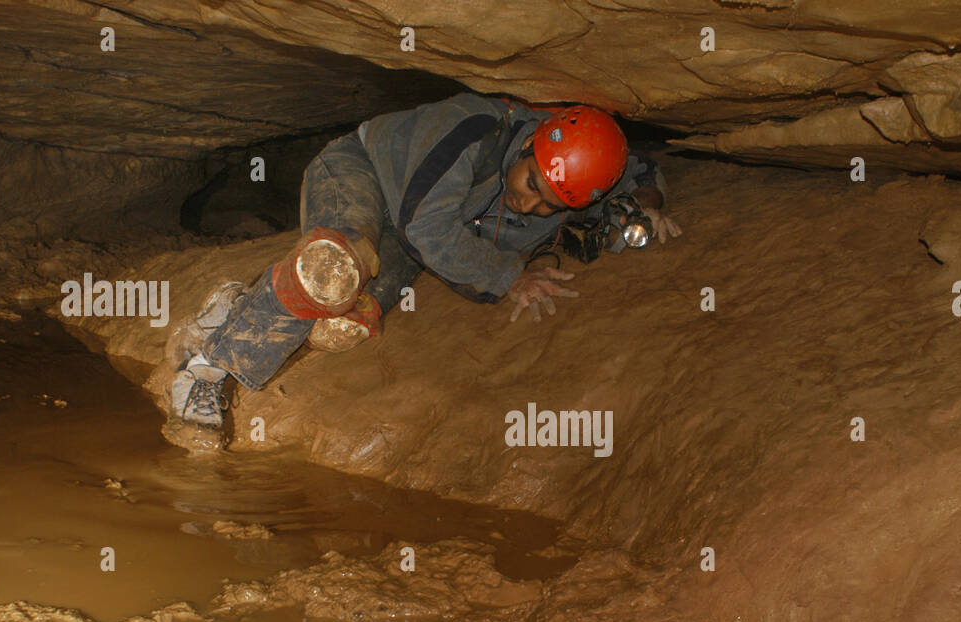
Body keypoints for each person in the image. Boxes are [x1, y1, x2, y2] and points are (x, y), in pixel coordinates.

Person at [166, 91, 682, 448]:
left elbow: (639, 173)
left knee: (346, 323)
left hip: (408, 243)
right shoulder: (475, 128)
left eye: (549, 206)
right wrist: (509, 276)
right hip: (358, 173)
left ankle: (239, 305)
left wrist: (647, 204)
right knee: (336, 270)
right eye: (529, 183)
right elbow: (428, 230)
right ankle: (206, 371)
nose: (529, 206)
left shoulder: (568, 178)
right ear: (530, 145)